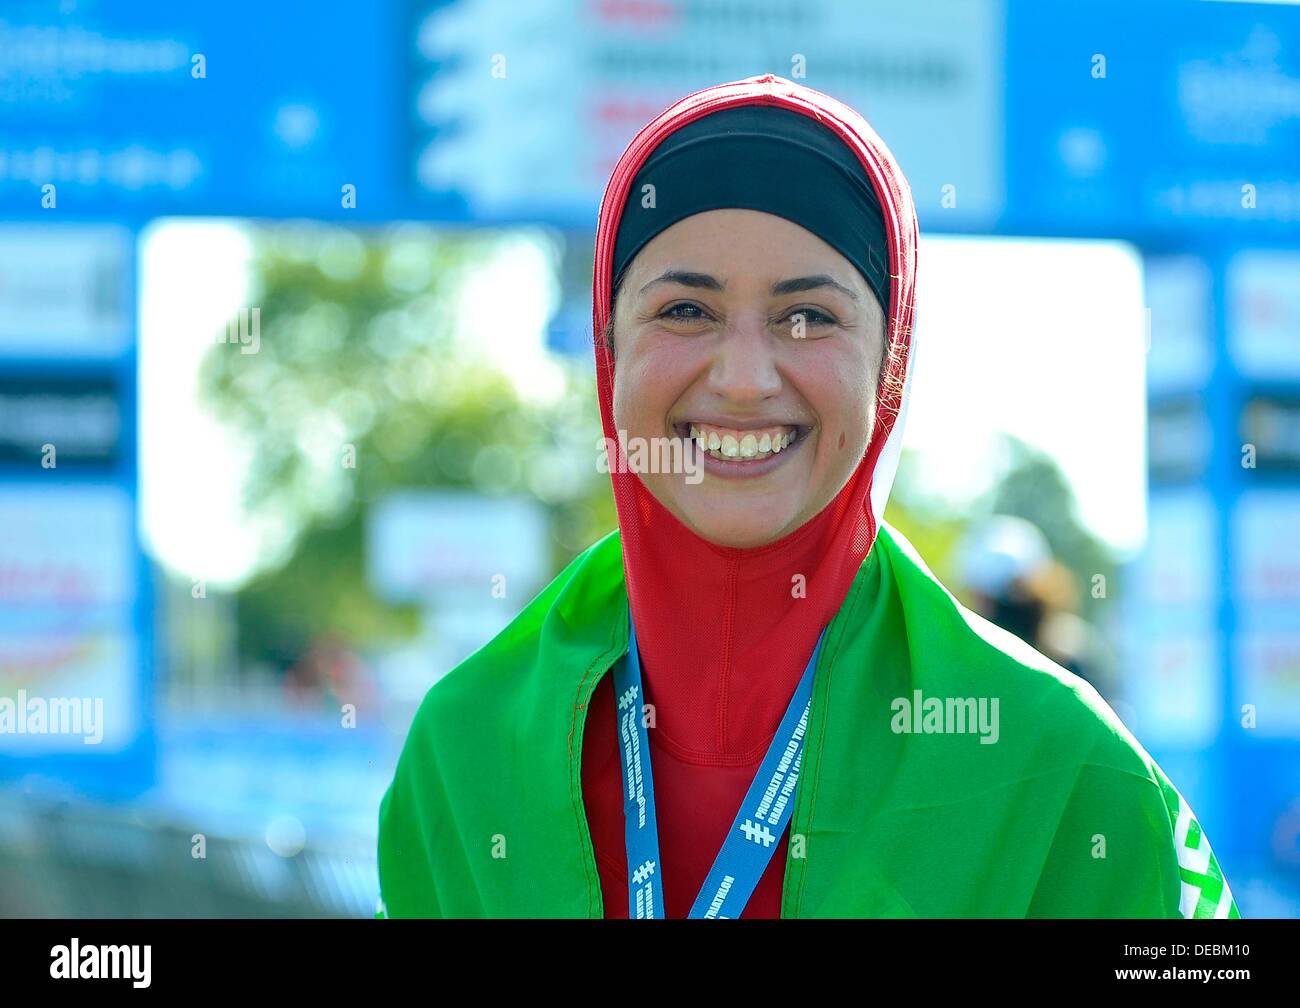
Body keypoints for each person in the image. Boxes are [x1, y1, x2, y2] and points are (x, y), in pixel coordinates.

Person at [376, 74, 1238, 918]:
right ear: (608, 352)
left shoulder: (1058, 765)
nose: (745, 379)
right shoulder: (467, 750)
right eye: (684, 311)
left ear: (889, 364)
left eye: (809, 317)